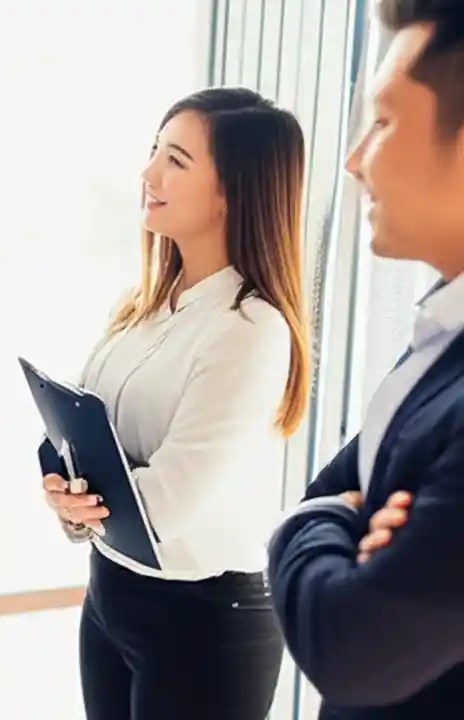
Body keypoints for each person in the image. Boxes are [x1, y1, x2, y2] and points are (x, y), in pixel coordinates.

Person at [40, 87, 311, 720]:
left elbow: (165, 507)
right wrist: (68, 500)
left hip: (204, 624)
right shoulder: (144, 307)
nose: (149, 174)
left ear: (233, 191)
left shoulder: (249, 329)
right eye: (154, 152)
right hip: (112, 597)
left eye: (176, 161)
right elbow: (79, 444)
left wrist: (89, 497)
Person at [267, 1, 464, 715]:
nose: (353, 160)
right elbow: (335, 486)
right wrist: (347, 517)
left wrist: (306, 526)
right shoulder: (442, 333)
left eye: (381, 122)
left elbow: (353, 645)